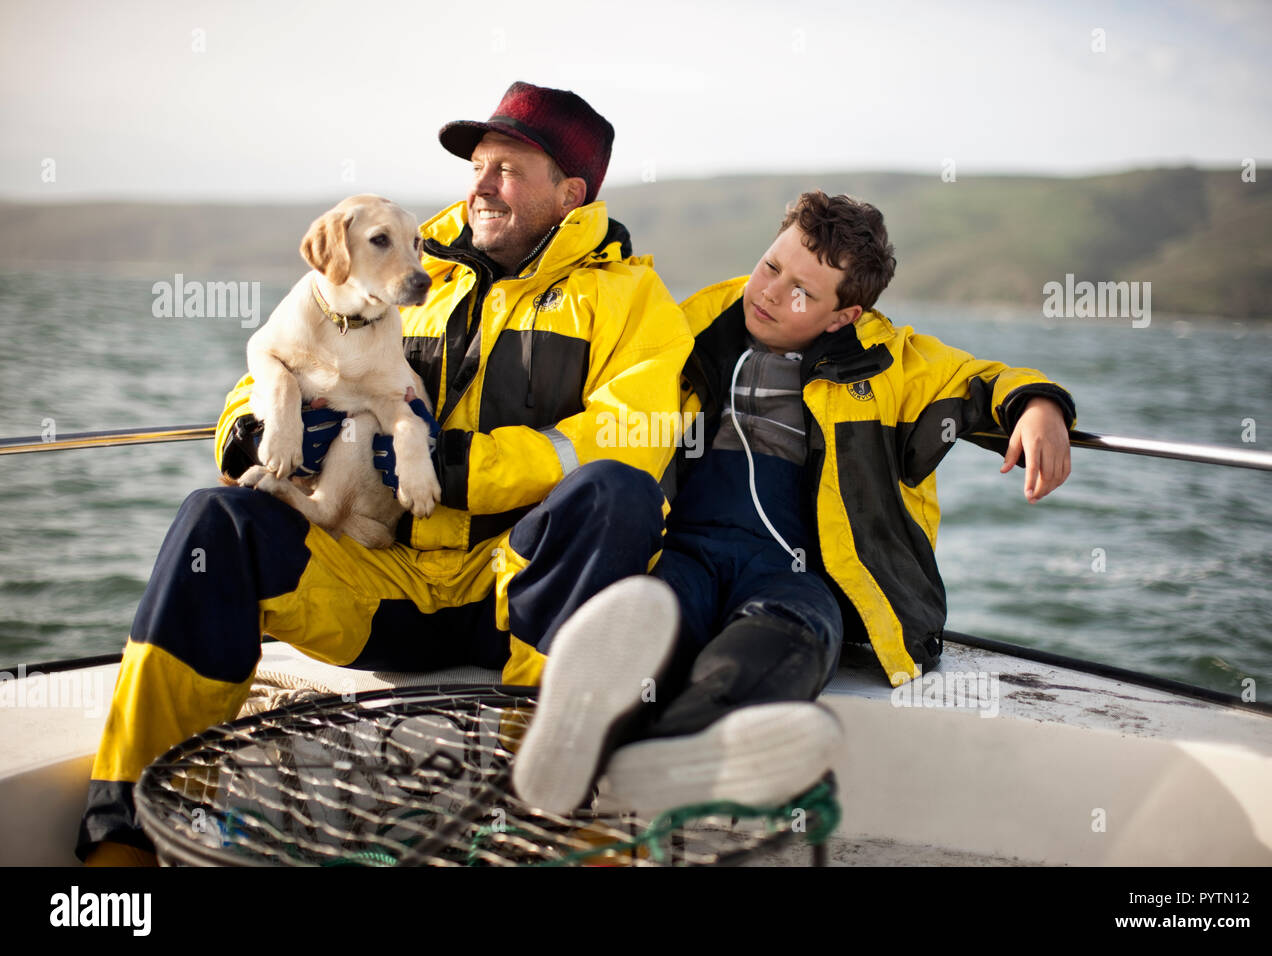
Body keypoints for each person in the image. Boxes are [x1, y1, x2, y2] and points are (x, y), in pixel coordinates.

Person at [77, 81, 694, 864]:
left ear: (572, 193)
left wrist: (466, 468)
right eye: (477, 164)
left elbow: (631, 436)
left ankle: (540, 805)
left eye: (510, 167)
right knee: (216, 520)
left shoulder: (633, 298)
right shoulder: (400, 262)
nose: (481, 183)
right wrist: (248, 432)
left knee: (619, 496)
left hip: (511, 593)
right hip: (378, 584)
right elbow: (284, 357)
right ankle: (126, 831)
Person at [514, 190, 1076, 815]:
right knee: (648, 623)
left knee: (786, 641)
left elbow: (984, 380)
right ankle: (585, 738)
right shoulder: (690, 322)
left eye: (803, 291)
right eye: (770, 266)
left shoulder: (888, 360)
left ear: (844, 315)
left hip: (798, 573)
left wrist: (1040, 406)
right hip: (682, 553)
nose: (771, 292)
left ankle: (669, 755)